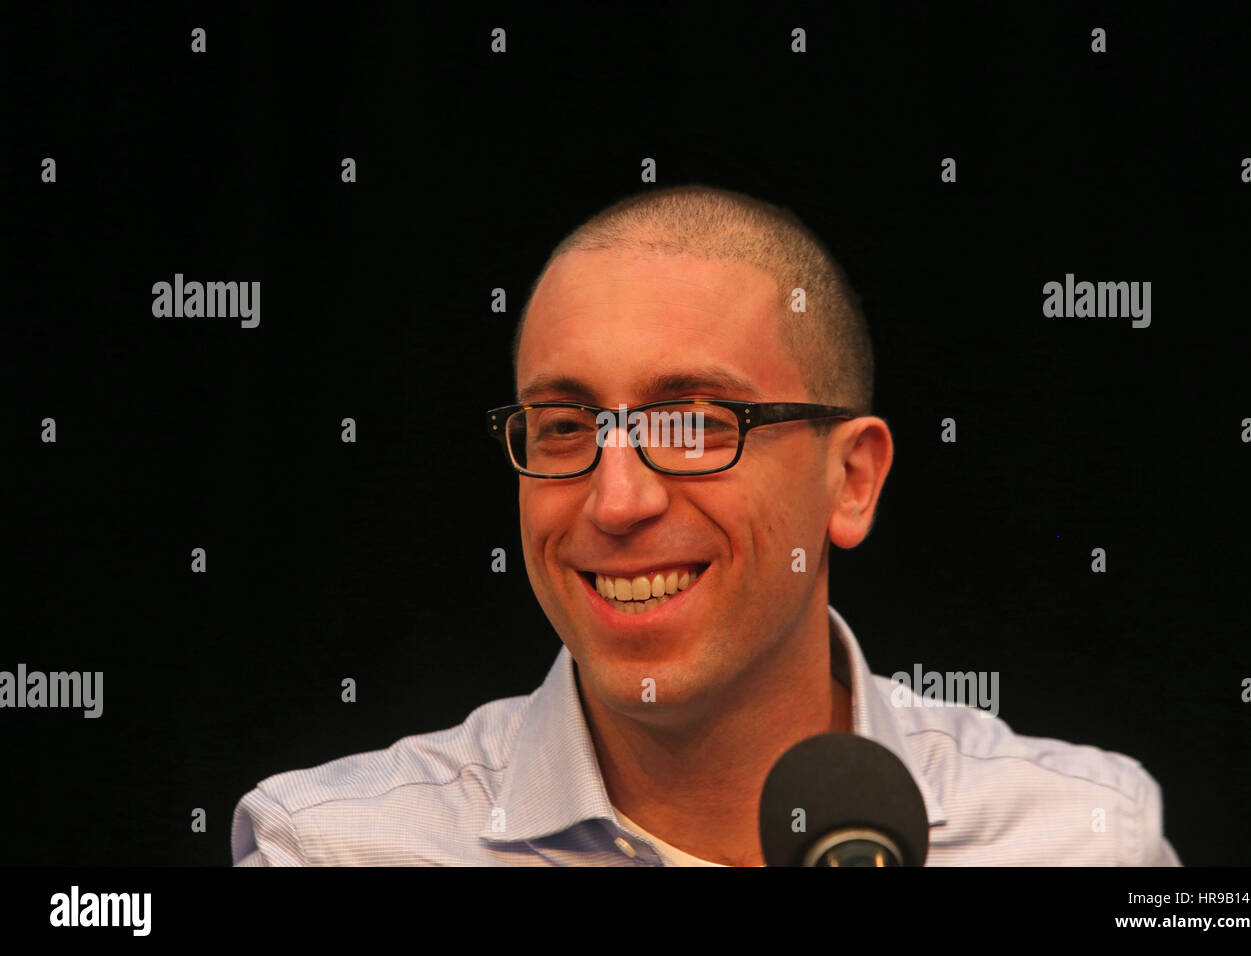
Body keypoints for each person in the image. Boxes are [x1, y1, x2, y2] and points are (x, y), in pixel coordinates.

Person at [231, 185, 1179, 866]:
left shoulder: (1081, 837)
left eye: (691, 425)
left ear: (851, 481)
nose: (618, 499)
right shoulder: (339, 849)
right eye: (564, 429)